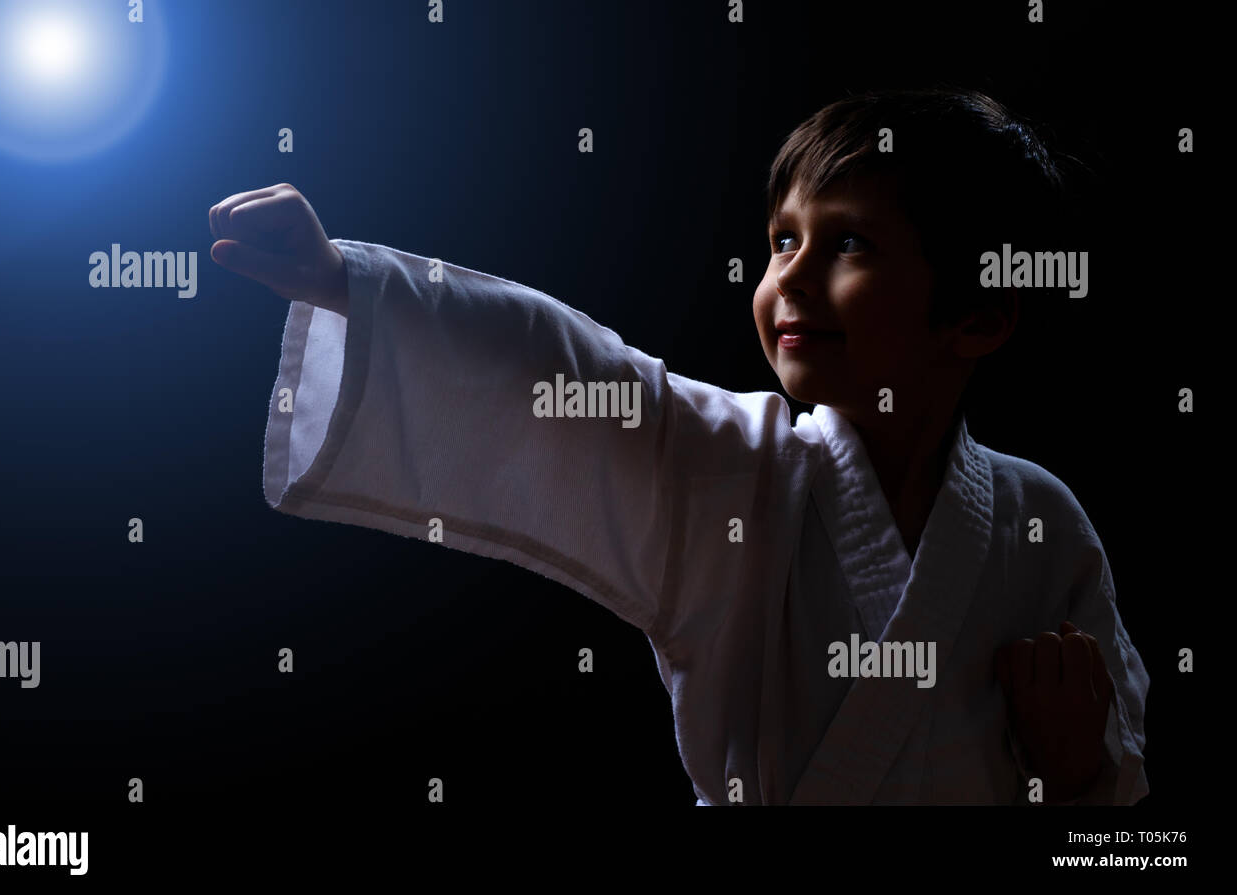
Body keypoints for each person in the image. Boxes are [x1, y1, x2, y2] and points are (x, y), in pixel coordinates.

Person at [208, 87, 1148, 805]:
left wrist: (1075, 774)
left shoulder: (1043, 526)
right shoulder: (730, 466)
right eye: (783, 241)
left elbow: (1124, 827)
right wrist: (348, 282)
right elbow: (575, 370)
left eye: (849, 244)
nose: (792, 279)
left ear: (979, 317)